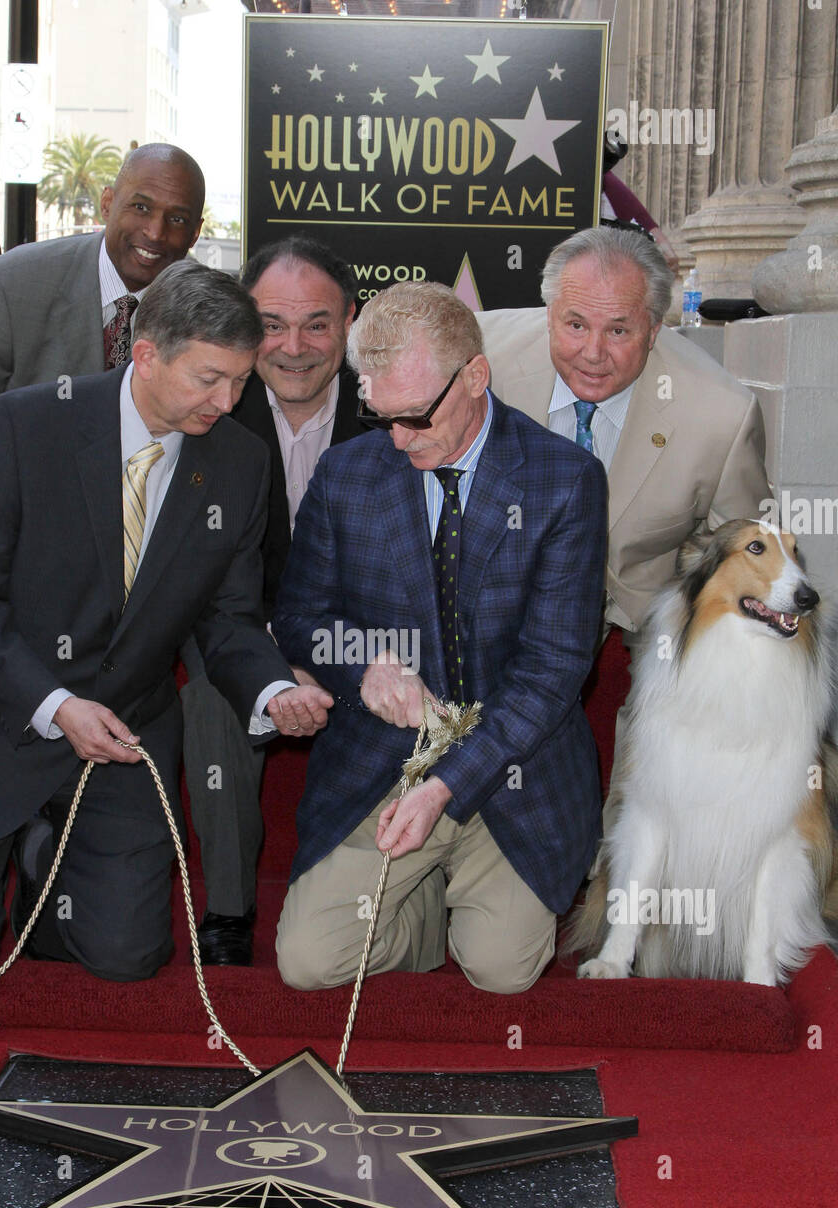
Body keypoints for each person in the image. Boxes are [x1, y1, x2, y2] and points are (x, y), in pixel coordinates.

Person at [0, 262, 331, 984]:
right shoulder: (24, 425)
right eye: (208, 378)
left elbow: (228, 618)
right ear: (147, 351)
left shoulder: (239, 464)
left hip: (122, 734)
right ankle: (16, 844)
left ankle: (44, 864)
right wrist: (56, 706)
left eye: (240, 381)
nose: (226, 401)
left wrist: (271, 690)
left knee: (127, 958)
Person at [272, 282, 608, 994]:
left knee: (501, 971)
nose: (397, 439)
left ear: (475, 377)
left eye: (416, 417)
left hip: (516, 768)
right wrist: (362, 667)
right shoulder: (346, 474)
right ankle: (421, 915)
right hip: (382, 763)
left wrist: (445, 787)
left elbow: (553, 672)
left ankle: (455, 891)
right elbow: (300, 619)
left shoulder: (565, 480)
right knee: (308, 965)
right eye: (380, 416)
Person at [0, 142, 206, 601]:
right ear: (107, 203)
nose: (155, 231)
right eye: (140, 206)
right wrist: (28, 536)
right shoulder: (6, 287)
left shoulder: (201, 312)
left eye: (177, 219)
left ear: (197, 232)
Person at [184, 236, 366, 966]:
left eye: (317, 323)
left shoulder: (396, 410)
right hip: (242, 626)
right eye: (271, 325)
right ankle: (228, 908)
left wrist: (339, 652)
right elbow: (199, 581)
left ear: (350, 321)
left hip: (367, 635)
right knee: (209, 690)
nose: (294, 347)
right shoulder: (208, 416)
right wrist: (271, 662)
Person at [478, 226, 768, 639]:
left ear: (653, 332)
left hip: (634, 625)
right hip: (493, 603)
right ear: (549, 315)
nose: (593, 353)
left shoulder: (721, 417)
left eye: (618, 331)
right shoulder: (478, 357)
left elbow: (749, 565)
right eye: (575, 325)